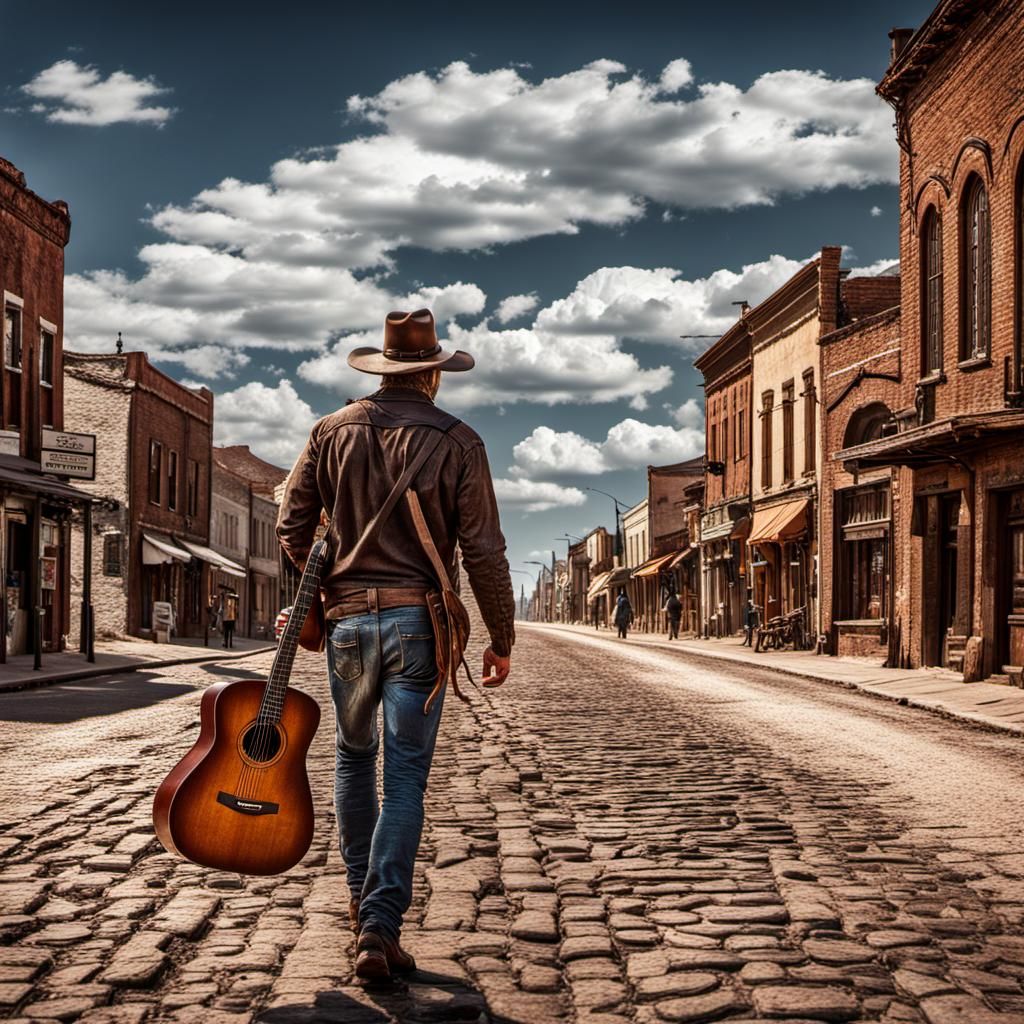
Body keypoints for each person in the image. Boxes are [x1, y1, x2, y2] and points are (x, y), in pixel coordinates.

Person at [277, 308, 515, 982]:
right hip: (419, 627)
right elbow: (485, 551)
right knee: (404, 778)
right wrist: (501, 636)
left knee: (354, 766)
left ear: (384, 369)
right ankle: (380, 925)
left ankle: (363, 913)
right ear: (434, 373)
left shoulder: (330, 433)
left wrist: (319, 591)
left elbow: (291, 526)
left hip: (349, 626)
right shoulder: (460, 441)